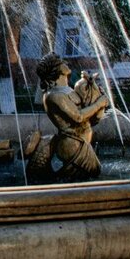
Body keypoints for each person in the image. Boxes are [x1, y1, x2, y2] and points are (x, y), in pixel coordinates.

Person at [25, 52, 109, 181]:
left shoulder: (67, 89)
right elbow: (78, 117)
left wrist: (93, 92)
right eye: (61, 62)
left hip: (81, 142)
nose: (65, 62)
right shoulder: (53, 95)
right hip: (72, 144)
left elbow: (87, 114)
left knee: (86, 178)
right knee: (80, 181)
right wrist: (99, 103)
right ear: (55, 69)